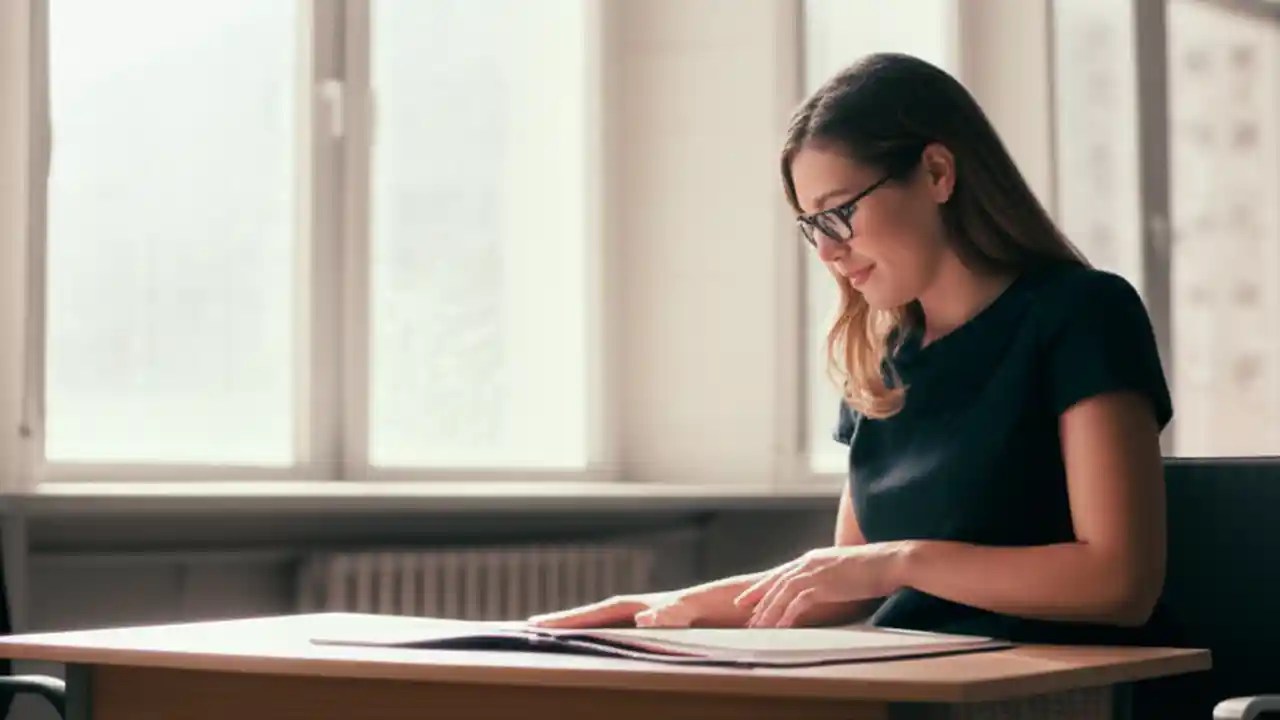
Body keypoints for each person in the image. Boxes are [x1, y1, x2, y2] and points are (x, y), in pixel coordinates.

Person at [529, 53, 1173, 645]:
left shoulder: (1084, 312)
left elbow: (1118, 583)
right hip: (905, 678)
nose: (828, 252)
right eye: (812, 227)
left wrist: (900, 560)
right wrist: (662, 608)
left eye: (839, 214)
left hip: (1038, 692)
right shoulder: (884, 356)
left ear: (937, 172)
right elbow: (839, 585)